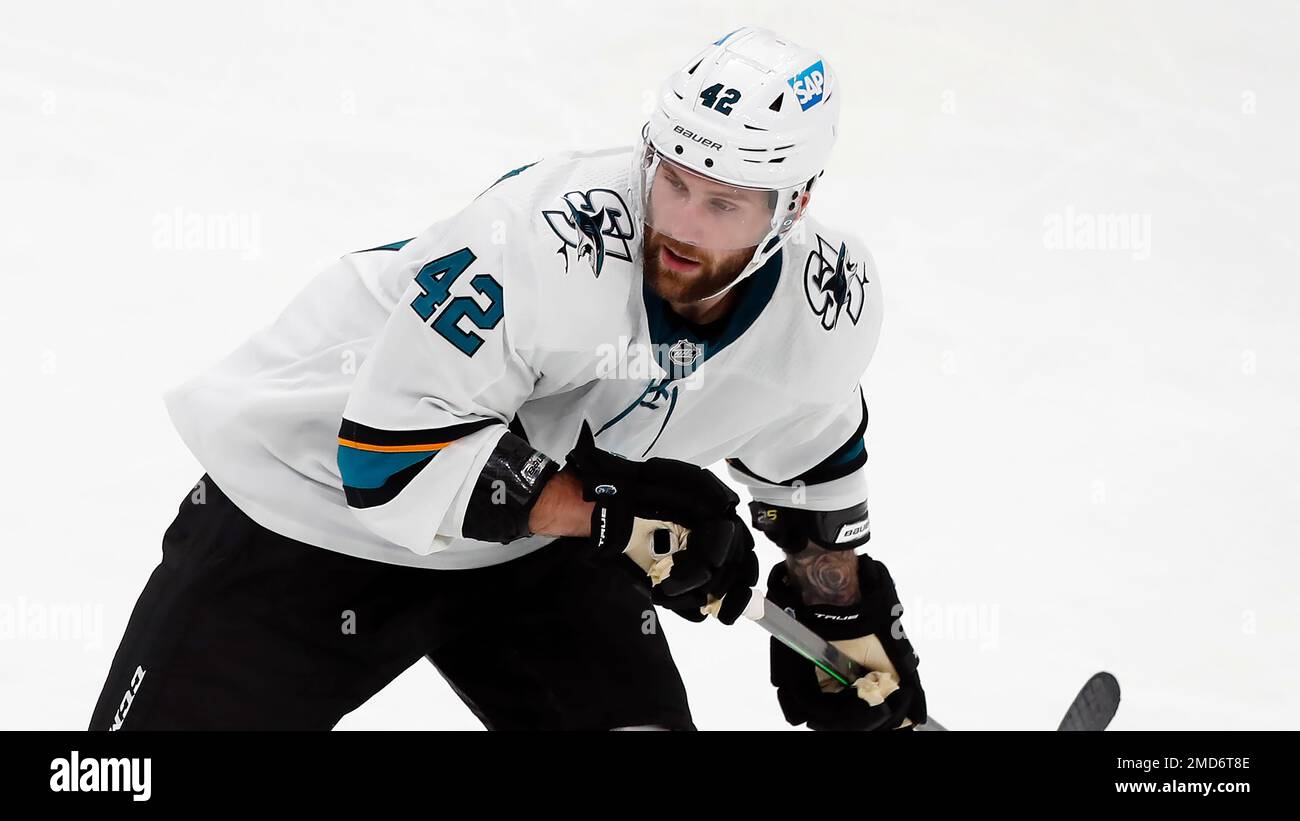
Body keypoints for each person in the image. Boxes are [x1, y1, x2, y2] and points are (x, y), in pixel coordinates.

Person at [89, 26, 926, 731]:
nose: (677, 224)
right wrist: (609, 515)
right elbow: (387, 460)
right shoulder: (539, 240)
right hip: (309, 514)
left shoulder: (828, 301)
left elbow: (812, 455)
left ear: (794, 204)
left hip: (540, 545)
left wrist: (834, 613)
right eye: (671, 180)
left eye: (722, 205)